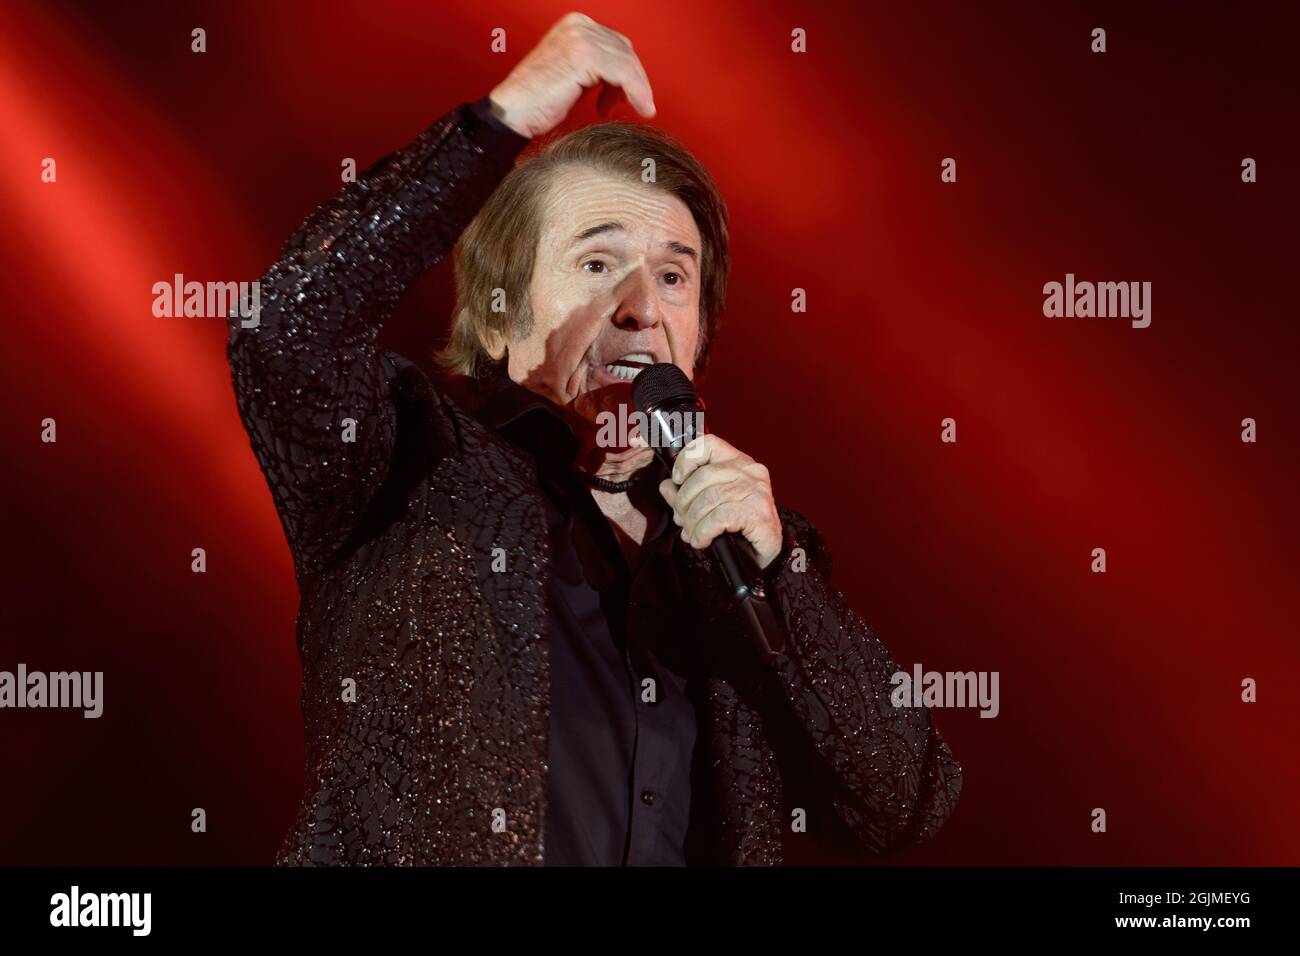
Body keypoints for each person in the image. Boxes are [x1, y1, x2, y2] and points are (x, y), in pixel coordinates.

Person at [226, 12, 960, 866]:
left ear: (700, 337)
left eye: (674, 276)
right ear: (499, 319)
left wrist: (780, 579)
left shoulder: (737, 554)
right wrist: (497, 125)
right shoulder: (402, 461)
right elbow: (282, 333)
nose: (642, 306)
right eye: (597, 262)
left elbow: (906, 805)